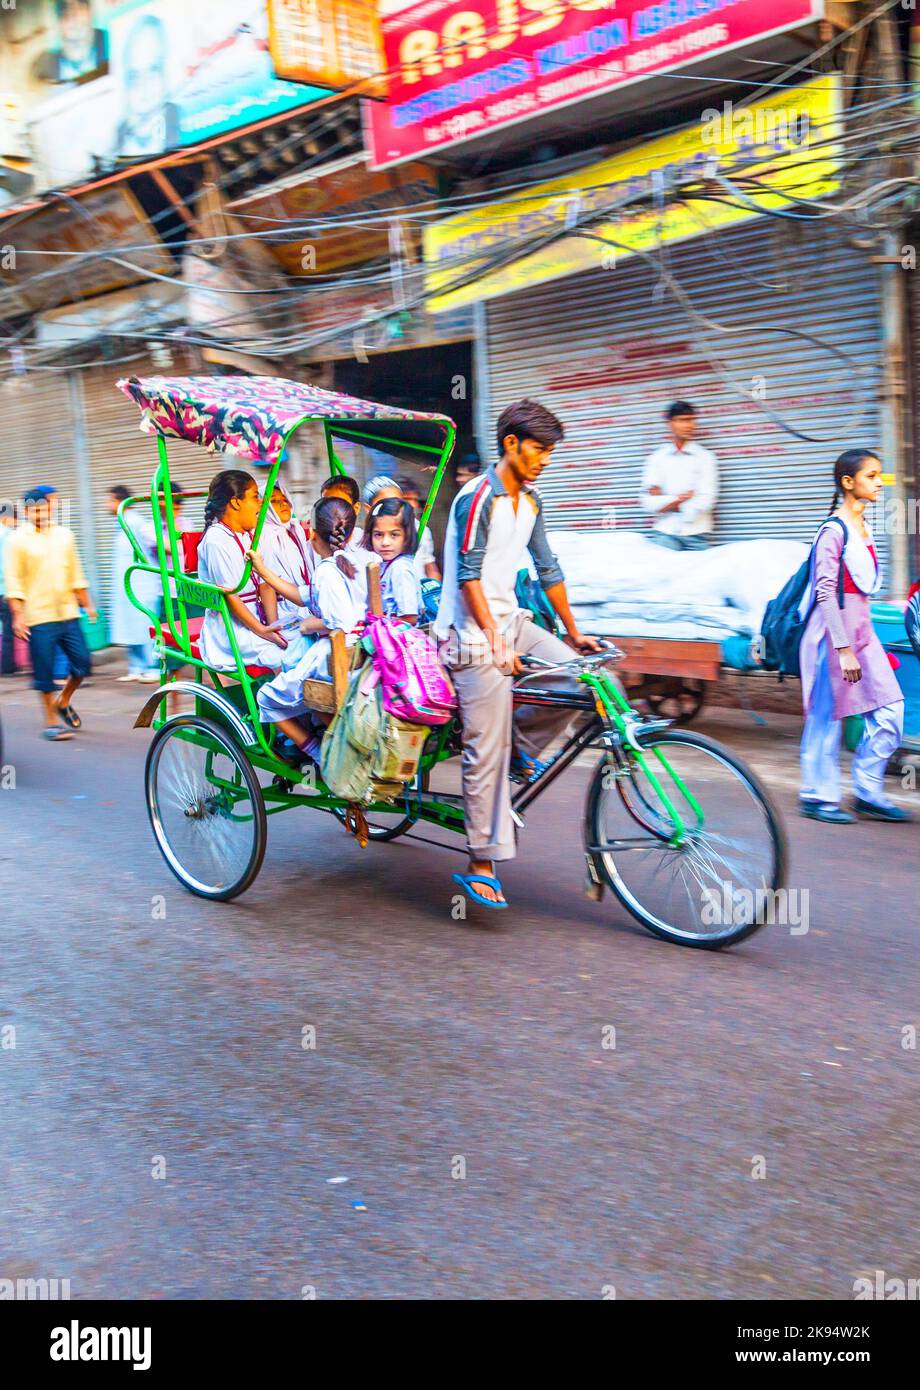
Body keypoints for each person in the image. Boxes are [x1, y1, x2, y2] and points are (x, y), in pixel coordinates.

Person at [434, 400, 602, 910]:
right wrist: (495, 644)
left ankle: (522, 748)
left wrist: (574, 634)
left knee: (588, 682)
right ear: (511, 443)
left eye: (551, 451)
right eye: (540, 449)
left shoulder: (530, 500)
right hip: (467, 630)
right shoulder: (477, 497)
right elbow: (467, 577)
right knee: (485, 744)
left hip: (511, 621)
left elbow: (548, 569)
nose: (546, 459)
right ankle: (480, 862)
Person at [799, 449, 912, 824]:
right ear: (849, 483)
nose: (880, 482)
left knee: (890, 710)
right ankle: (817, 796)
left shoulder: (863, 527)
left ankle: (867, 791)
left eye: (880, 475)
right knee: (827, 719)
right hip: (835, 637)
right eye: (872, 476)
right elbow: (825, 593)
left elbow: (865, 587)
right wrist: (843, 649)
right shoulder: (833, 531)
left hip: (863, 632)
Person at [251, 498, 368, 763]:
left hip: (335, 662)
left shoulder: (327, 572)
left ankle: (318, 754)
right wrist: (263, 570)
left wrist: (308, 624)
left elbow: (339, 622)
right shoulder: (356, 562)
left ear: (312, 534)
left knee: (266, 698)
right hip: (362, 657)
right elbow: (302, 595)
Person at [4, 485, 96, 741]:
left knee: (83, 664)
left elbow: (75, 572)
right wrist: (18, 615)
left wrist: (87, 605)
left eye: (43, 508)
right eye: (34, 510)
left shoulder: (64, 535)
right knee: (43, 673)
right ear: (26, 511)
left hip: (68, 612)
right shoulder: (17, 540)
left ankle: (63, 700)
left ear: (49, 508)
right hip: (38, 617)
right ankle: (51, 723)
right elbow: (14, 581)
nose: (39, 513)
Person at [195, 471, 302, 673]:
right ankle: (279, 702)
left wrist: (274, 626)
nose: (261, 504)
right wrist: (263, 631)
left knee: (306, 639)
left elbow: (266, 585)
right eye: (255, 497)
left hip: (260, 618)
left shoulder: (251, 535)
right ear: (235, 503)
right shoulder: (216, 540)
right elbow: (230, 596)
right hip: (232, 628)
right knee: (288, 658)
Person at [640, 401, 718, 550]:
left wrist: (666, 503)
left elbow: (707, 500)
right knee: (661, 572)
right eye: (683, 420)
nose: (689, 426)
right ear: (670, 423)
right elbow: (648, 503)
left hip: (697, 535)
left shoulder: (706, 458)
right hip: (665, 533)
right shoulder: (656, 458)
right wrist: (683, 499)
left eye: (692, 420)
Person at [106, 485, 159, 683]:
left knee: (143, 628)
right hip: (127, 587)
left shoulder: (137, 522)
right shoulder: (120, 523)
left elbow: (156, 543)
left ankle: (152, 668)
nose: (107, 505)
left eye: (109, 500)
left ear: (119, 501)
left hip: (142, 586)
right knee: (131, 628)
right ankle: (136, 668)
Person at [256, 481, 312, 632]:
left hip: (305, 602)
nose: (283, 504)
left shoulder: (295, 528)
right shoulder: (263, 536)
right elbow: (266, 584)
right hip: (283, 610)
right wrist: (274, 627)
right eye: (274, 501)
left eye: (284, 500)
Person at [362, 497, 422, 623]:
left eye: (394, 535)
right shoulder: (385, 565)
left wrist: (380, 624)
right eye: (378, 534)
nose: (385, 542)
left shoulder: (400, 569)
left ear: (407, 535)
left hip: (400, 640)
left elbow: (409, 617)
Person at [397, 475, 441, 583]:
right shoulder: (384, 531)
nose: (412, 504)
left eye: (414, 499)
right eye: (407, 499)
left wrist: (436, 592)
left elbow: (429, 566)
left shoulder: (423, 530)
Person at [0, 503, 17, 676]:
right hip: (5, 590)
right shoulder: (9, 536)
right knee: (8, 630)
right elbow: (9, 566)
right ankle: (7, 667)